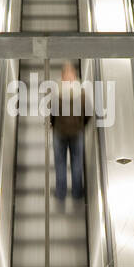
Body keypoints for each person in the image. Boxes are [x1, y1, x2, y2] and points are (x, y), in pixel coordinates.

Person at [50, 62, 88, 201]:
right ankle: (77, 193)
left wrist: (54, 125)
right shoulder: (81, 92)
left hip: (60, 133)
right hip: (75, 133)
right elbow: (88, 113)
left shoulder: (56, 92)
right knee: (76, 163)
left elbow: (51, 112)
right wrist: (81, 125)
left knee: (61, 163)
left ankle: (61, 193)